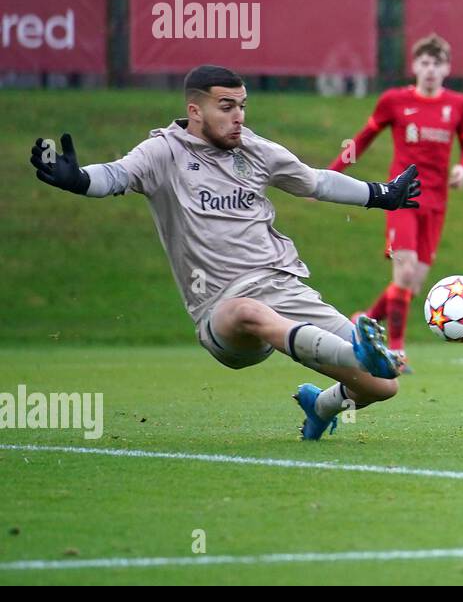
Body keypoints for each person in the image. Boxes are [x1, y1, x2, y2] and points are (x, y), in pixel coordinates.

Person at [28, 64, 417, 440]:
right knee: (248, 311)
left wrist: (381, 195)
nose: (239, 117)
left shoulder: (254, 149)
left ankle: (322, 407)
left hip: (284, 290)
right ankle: (358, 355)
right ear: (195, 111)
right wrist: (78, 180)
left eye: (243, 106)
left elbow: (314, 182)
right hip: (223, 309)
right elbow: (116, 175)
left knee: (383, 386)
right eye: (227, 107)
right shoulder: (164, 153)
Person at [329, 35, 463, 367]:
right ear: (414, 66)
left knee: (415, 282)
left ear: (447, 68)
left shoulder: (458, 105)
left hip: (437, 204)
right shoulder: (394, 101)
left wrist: (462, 168)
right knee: (405, 271)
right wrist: (327, 176)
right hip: (403, 199)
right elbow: (363, 140)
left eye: (437, 64)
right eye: (424, 63)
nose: (430, 70)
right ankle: (395, 349)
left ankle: (364, 320)